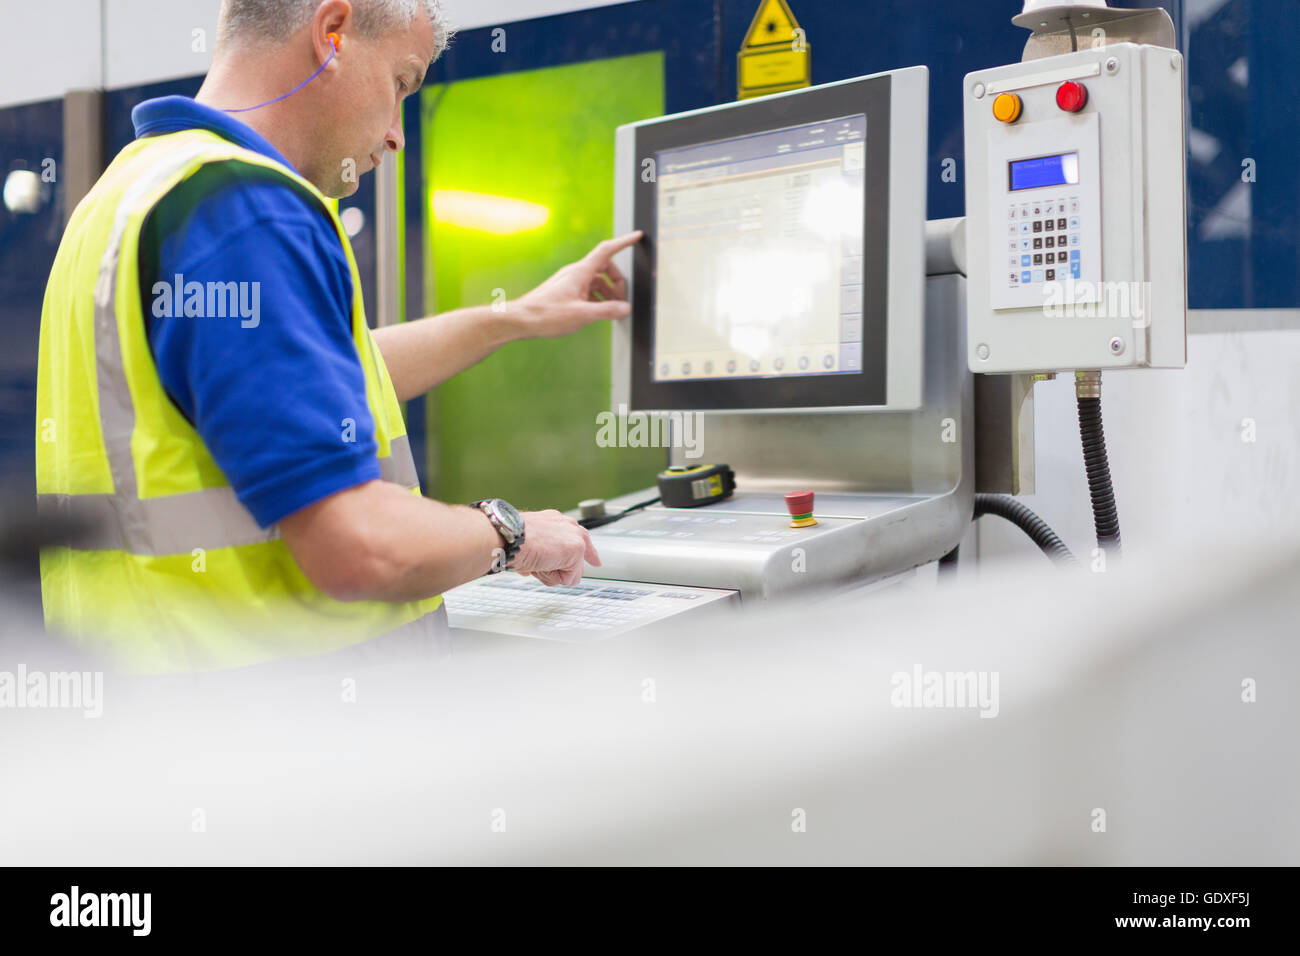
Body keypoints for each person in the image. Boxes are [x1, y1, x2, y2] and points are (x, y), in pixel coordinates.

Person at [35, 0, 640, 674]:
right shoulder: (245, 209)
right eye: (401, 84)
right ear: (332, 35)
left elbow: (278, 386)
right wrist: (510, 532)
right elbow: (360, 548)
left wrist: (516, 316)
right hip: (269, 734)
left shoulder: (133, 190)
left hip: (152, 715)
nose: (396, 135)